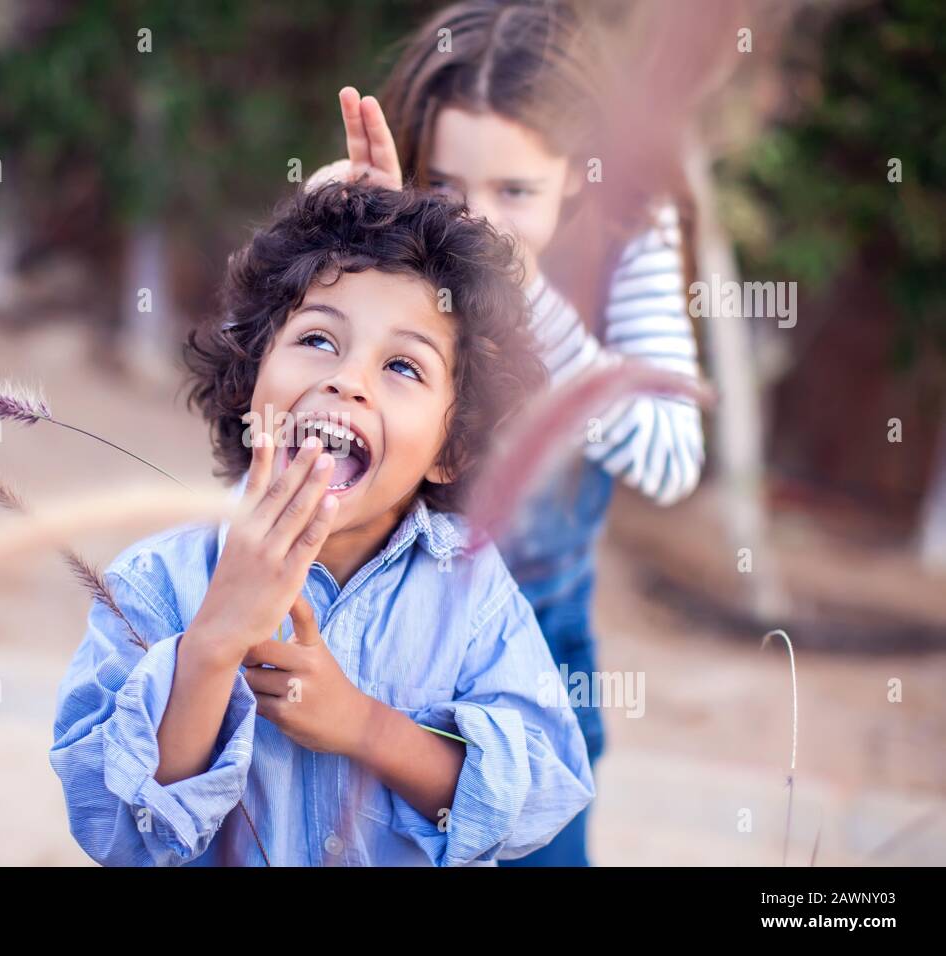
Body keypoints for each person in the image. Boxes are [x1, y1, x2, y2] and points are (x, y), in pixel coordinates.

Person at [49, 183, 594, 866]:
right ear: (253, 382)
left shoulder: (472, 592)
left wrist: (366, 727)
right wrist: (214, 643)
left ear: (452, 450)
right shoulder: (158, 581)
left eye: (402, 365)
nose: (349, 380)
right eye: (317, 338)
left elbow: (541, 795)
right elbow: (121, 834)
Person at [305, 0, 707, 865]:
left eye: (515, 191)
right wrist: (331, 242)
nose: (475, 221)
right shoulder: (397, 225)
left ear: (579, 175)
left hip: (538, 662)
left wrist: (539, 306)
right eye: (445, 187)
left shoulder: (626, 235)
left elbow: (672, 459)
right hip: (368, 647)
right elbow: (277, 409)